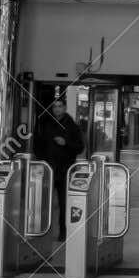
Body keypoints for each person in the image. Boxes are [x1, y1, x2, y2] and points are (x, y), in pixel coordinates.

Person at [35, 95, 84, 240]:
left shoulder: (72, 126)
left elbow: (80, 147)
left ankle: (63, 231)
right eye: (55, 106)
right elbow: (38, 144)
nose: (57, 109)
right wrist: (41, 160)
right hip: (48, 170)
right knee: (43, 201)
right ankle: (43, 230)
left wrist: (66, 143)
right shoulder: (46, 124)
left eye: (60, 106)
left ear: (65, 108)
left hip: (64, 170)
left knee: (64, 203)